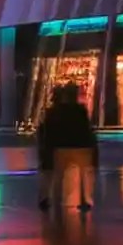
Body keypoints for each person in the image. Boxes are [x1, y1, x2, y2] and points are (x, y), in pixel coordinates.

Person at [41, 82, 98, 211]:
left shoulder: (55, 111)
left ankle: (56, 201)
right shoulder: (80, 110)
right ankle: (84, 199)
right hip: (81, 147)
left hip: (61, 147)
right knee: (84, 174)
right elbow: (86, 129)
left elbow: (49, 130)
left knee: (58, 175)